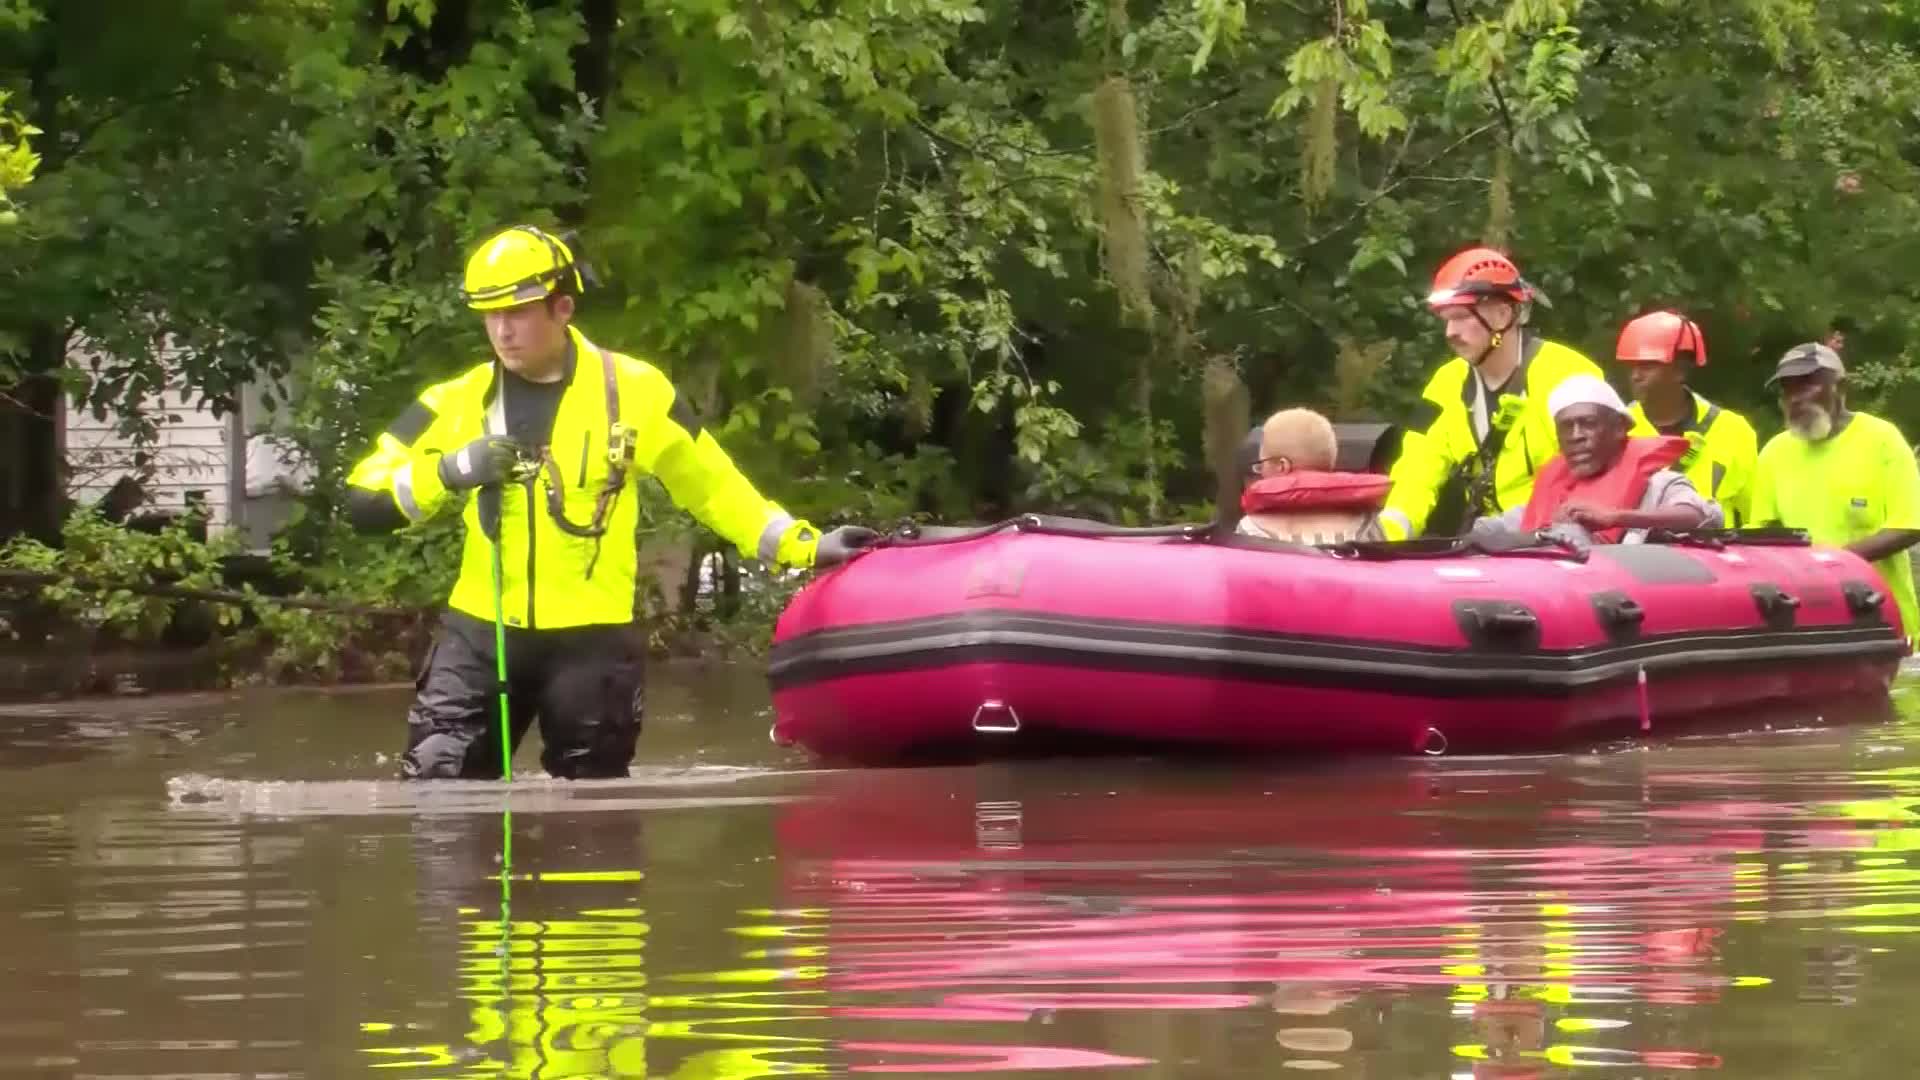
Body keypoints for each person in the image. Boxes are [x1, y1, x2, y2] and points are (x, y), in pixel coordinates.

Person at [345, 224, 879, 780]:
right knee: (436, 790)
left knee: (591, 827)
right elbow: (363, 500)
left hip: (591, 643)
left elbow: (716, 487)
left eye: (518, 313)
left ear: (563, 308)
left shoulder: (635, 392)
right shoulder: (456, 401)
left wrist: (806, 545)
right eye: (491, 315)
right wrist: (451, 470)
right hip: (482, 636)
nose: (502, 331)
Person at [1379, 247, 1604, 540]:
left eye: (1461, 317)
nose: (1450, 332)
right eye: (1446, 319)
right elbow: (1416, 472)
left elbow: (1611, 471)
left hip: (1561, 543)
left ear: (1502, 314)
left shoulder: (1568, 374)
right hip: (1492, 545)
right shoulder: (1446, 383)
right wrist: (1386, 534)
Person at [1748, 342, 1920, 644]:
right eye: (1787, 390)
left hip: (1881, 620)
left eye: (1808, 384)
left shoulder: (1882, 440)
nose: (1795, 398)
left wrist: (1830, 564)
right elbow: (1762, 533)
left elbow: (1909, 525)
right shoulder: (1774, 453)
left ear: (1840, 386)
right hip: (1805, 623)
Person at [1468, 374, 1718, 547]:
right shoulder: (1553, 491)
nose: (1576, 436)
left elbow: (1698, 515)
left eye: (1588, 423)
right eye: (1566, 427)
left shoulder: (1659, 483)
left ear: (1620, 428)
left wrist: (1616, 517)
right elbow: (1496, 529)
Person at [1614, 310, 1758, 526]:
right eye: (1633, 366)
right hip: (1636, 557)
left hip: (1709, 556)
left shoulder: (1733, 431)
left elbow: (1754, 519)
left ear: (1680, 371)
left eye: (1647, 366)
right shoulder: (1616, 430)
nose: (1636, 376)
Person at [1236, 408, 1387, 544]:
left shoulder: (1250, 530)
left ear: (1282, 466)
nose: (1261, 472)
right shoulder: (1366, 524)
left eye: (1262, 464)